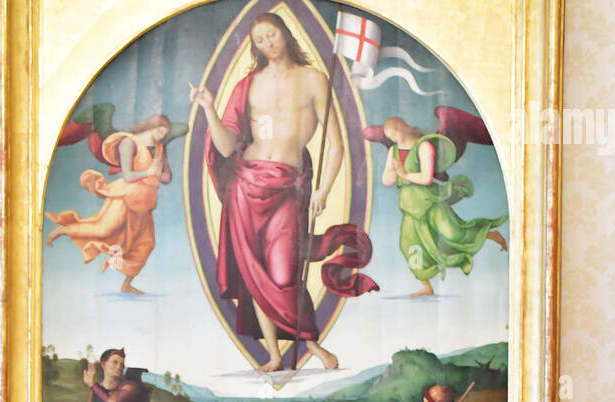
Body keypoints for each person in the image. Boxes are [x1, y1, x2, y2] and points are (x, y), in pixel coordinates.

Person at [192, 13, 376, 372]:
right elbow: (227, 147)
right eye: (259, 40)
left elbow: (337, 145)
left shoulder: (313, 80)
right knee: (255, 274)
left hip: (289, 188)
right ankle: (276, 355)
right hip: (246, 186)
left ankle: (313, 346)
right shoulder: (248, 84)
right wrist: (209, 108)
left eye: (272, 35)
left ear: (286, 34)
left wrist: (323, 188)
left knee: (283, 273)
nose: (267, 45)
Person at [373, 114, 507, 296]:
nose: (394, 139)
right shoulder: (394, 152)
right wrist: (395, 172)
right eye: (390, 137)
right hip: (410, 205)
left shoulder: (423, 146)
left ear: (401, 128)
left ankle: (489, 234)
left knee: (453, 233)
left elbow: (426, 178)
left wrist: (403, 174)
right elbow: (386, 179)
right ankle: (427, 286)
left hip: (430, 201)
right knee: (409, 245)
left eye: (394, 134)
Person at [46, 115, 173, 295]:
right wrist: (149, 171)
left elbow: (166, 176)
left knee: (146, 244)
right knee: (103, 229)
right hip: (125, 196)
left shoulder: (160, 148)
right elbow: (128, 175)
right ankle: (63, 230)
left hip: (144, 203)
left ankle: (127, 284)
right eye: (159, 131)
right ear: (151, 127)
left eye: (164, 134)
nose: (161, 136)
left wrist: (163, 173)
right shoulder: (130, 143)